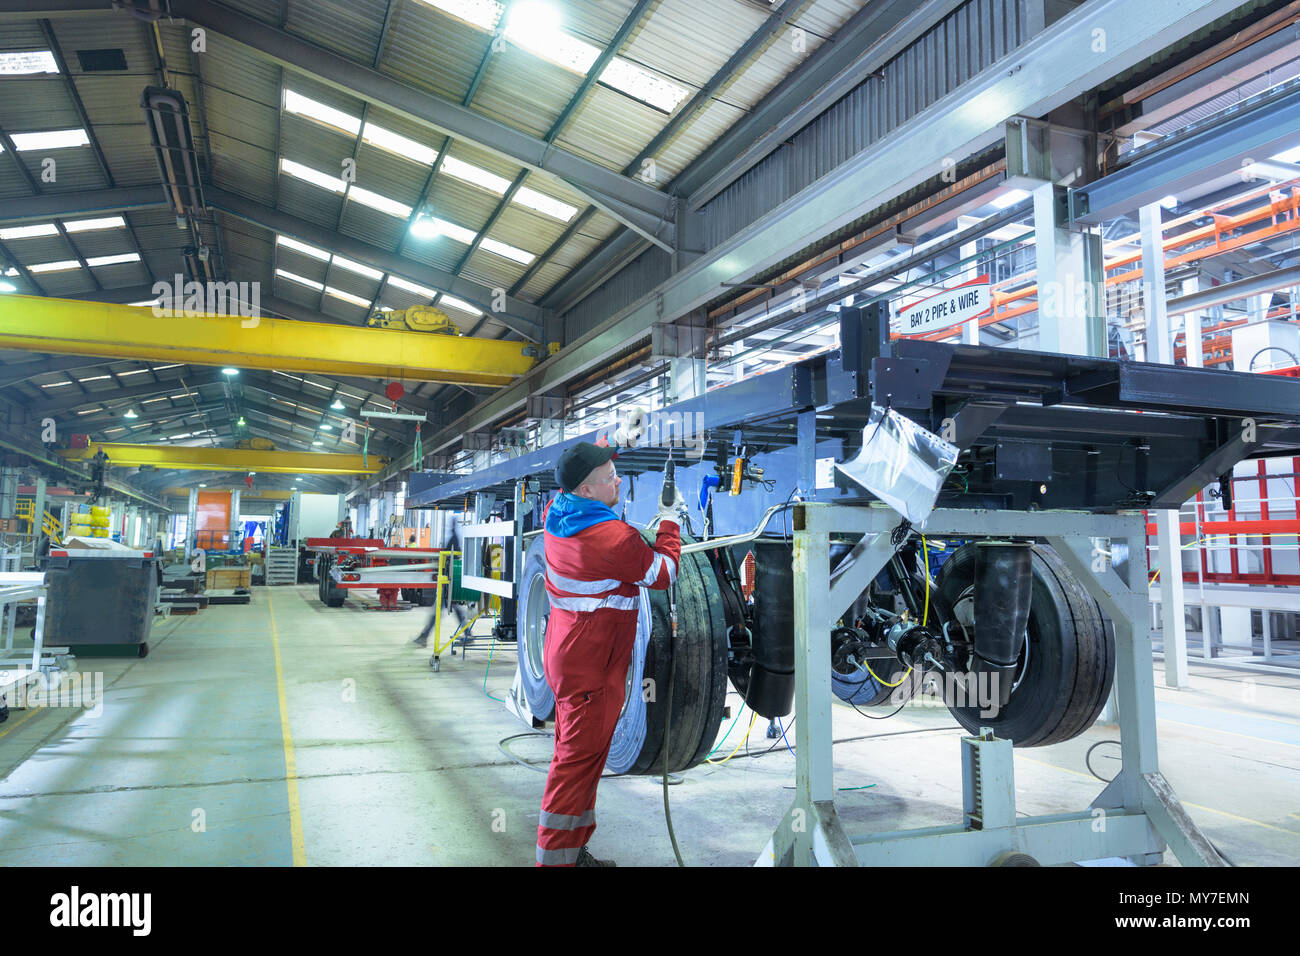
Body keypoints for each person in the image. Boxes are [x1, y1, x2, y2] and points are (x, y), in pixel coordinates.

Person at [535, 442, 684, 867]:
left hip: (571, 656)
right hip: (592, 669)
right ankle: (555, 861)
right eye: (609, 477)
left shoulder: (558, 514)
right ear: (585, 489)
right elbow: (663, 573)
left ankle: (572, 850)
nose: (618, 480)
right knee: (576, 763)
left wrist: (617, 441)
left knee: (583, 758)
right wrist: (670, 521)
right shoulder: (611, 539)